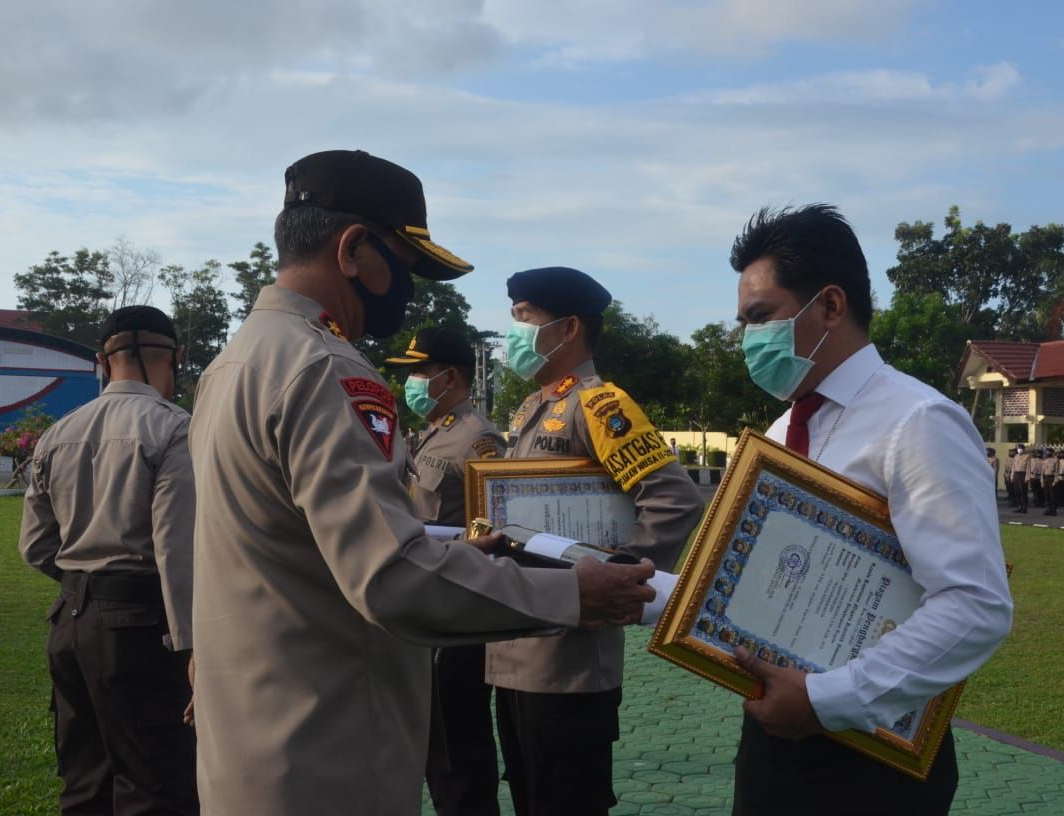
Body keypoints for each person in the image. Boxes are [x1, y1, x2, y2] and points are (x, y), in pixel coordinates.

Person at [187, 150, 658, 816]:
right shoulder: (326, 371)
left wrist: (458, 556)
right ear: (353, 250)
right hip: (329, 750)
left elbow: (287, 551)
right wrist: (572, 594)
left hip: (253, 743)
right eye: (404, 269)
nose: (411, 292)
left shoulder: (235, 362)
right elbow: (391, 580)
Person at [727, 204, 1013, 815]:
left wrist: (829, 698)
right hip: (776, 738)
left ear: (831, 306)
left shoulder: (919, 422)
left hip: (870, 758)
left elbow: (975, 604)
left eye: (761, 317)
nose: (748, 340)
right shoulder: (781, 431)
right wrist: (633, 591)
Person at [488, 266, 705, 816]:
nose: (514, 331)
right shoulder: (532, 407)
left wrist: (620, 578)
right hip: (518, 645)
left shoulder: (597, 404)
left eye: (524, 318)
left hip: (568, 662)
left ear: (567, 329)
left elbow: (673, 499)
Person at [18, 306, 198, 815]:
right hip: (143, 628)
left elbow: (35, 545)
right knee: (156, 786)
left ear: (102, 360)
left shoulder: (59, 433)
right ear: (177, 358)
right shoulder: (174, 429)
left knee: (84, 783)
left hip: (71, 622)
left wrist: (86, 583)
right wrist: (193, 648)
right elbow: (176, 550)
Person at [386, 327, 507, 815]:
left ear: (449, 376)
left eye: (419, 372)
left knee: (459, 752)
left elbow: (495, 531)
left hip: (459, 609)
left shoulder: (479, 440)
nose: (411, 383)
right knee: (433, 746)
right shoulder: (435, 431)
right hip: (427, 600)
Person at [1012, 444, 1030, 513]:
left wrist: (1027, 478)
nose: (1019, 449)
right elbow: (1013, 467)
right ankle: (1019, 506)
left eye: (1021, 448)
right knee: (1017, 491)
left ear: (1024, 449)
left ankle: (1024, 507)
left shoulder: (1027, 456)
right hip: (1016, 474)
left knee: (1023, 492)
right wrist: (1012, 476)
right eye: (1018, 448)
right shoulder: (1016, 456)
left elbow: (1028, 468)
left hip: (1023, 474)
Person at [1041, 448, 1058, 517]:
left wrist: (1055, 480)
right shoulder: (1044, 460)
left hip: (1052, 478)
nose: (1048, 453)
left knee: (1053, 495)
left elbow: (1057, 471)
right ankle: (1048, 509)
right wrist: (1042, 481)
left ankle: (1053, 510)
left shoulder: (1056, 460)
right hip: (1045, 478)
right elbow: (1042, 472)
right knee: (1046, 494)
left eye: (1049, 452)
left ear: (1052, 452)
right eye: (1047, 452)